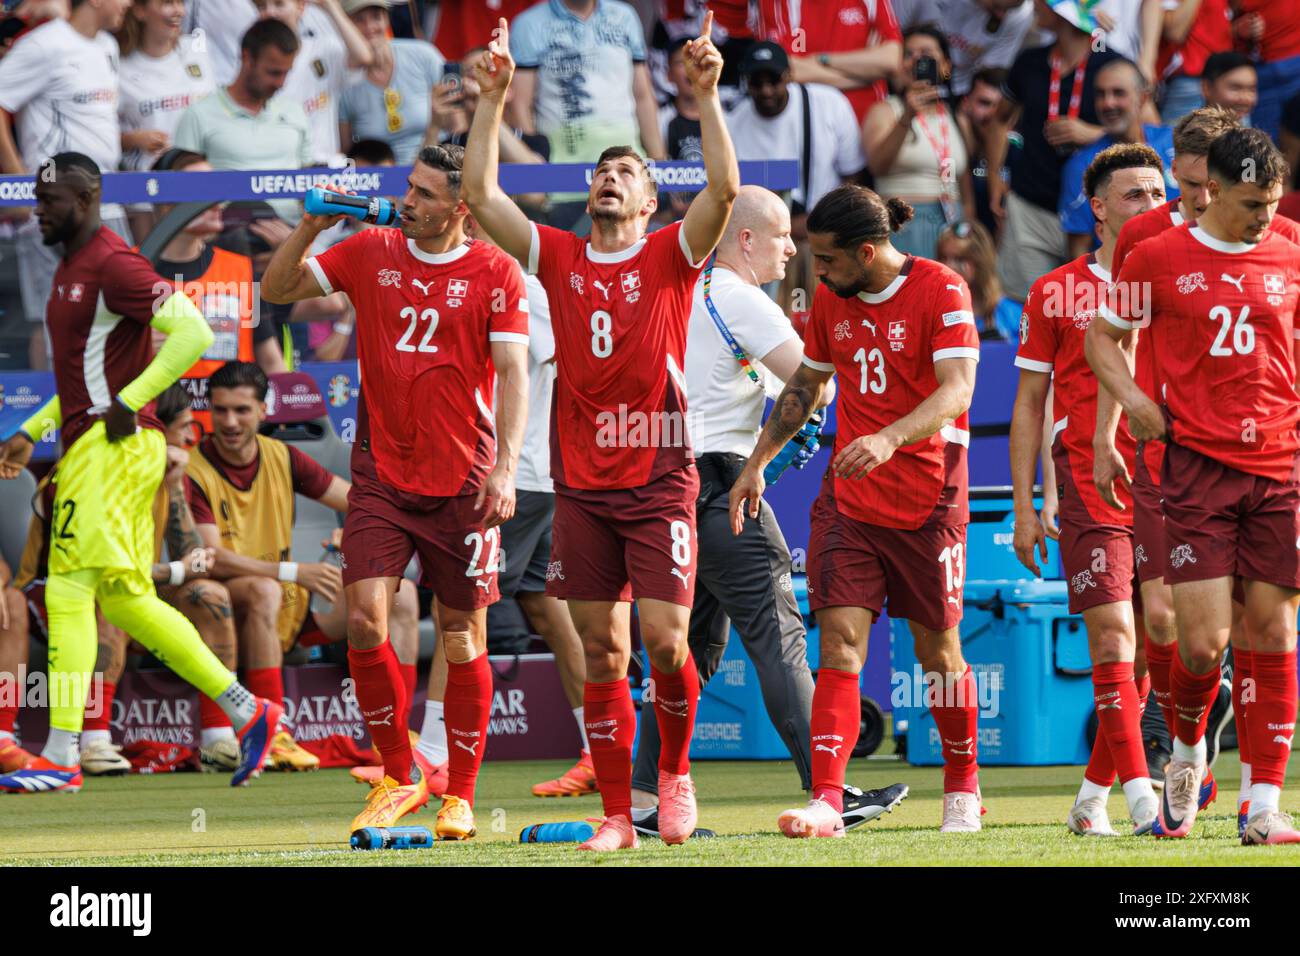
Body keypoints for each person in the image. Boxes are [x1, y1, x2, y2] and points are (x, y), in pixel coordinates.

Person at [463, 13, 739, 850]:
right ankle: (619, 815)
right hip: (584, 487)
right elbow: (480, 197)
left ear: (651, 199)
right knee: (604, 652)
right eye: (603, 170)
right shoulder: (558, 255)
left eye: (628, 171)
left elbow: (723, 192)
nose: (611, 178)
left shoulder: (668, 255)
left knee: (663, 640)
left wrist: (707, 98)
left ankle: (676, 778)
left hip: (659, 482)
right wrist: (494, 99)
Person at [261, 143, 530, 838]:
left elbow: (512, 374)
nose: (407, 201)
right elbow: (277, 290)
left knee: (463, 634)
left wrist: (505, 468)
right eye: (407, 188)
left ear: (460, 207)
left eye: (425, 194)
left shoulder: (497, 271)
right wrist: (311, 227)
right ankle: (399, 777)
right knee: (364, 623)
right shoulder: (371, 248)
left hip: (463, 481)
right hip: (381, 474)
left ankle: (461, 794)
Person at [629, 185, 911, 836]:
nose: (793, 248)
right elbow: (814, 384)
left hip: (661, 485)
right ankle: (827, 789)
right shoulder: (738, 298)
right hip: (721, 480)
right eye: (783, 234)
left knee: (687, 649)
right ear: (746, 239)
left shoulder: (680, 289)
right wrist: (769, 455)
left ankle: (644, 799)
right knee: (779, 637)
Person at [0, 152, 280, 795]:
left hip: (114, 446)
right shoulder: (72, 266)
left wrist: (131, 403)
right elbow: (82, 379)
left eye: (53, 201)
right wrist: (31, 430)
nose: (41, 211)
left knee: (69, 591)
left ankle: (63, 754)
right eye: (38, 200)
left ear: (90, 197)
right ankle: (248, 710)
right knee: (125, 598)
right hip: (96, 441)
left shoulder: (113, 262)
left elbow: (189, 330)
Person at [730, 185, 981, 836]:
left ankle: (963, 790)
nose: (817, 271)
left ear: (866, 252)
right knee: (840, 642)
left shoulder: (943, 288)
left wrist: (890, 436)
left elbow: (958, 389)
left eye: (827, 260)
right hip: (850, 501)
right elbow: (806, 387)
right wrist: (758, 463)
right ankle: (829, 799)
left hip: (930, 498)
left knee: (939, 655)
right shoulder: (830, 303)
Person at [1088, 127, 1300, 845]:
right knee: (1202, 644)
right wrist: (1134, 406)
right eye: (1249, 203)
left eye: (1270, 202)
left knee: (1272, 630)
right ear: (1211, 188)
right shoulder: (1156, 257)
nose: (1263, 217)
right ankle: (1185, 756)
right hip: (1196, 470)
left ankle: (1263, 803)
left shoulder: (1292, 250)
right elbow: (1101, 338)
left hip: (1280, 466)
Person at [1012, 143, 1168, 837]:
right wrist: (1025, 502)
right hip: (1087, 478)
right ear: (1097, 208)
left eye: (1158, 189)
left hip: (1169, 481)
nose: (1150, 203)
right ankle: (1143, 802)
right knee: (1112, 637)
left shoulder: (1180, 277)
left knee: (1150, 645)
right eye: (1134, 193)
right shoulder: (1055, 291)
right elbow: (1028, 404)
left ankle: (1090, 797)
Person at [183, 362, 419, 771]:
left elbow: (358, 502)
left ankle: (395, 735)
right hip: (223, 606)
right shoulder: (192, 470)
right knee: (264, 590)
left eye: (241, 410)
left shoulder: (281, 456)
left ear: (263, 411)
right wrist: (295, 572)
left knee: (402, 596)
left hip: (286, 608)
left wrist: (362, 531)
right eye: (220, 411)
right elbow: (212, 559)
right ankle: (272, 735)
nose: (230, 422)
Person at [0, 0, 134, 371]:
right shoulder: (44, 45)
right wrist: (20, 182)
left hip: (108, 200)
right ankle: (51, 416)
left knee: (114, 313)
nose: (129, 4)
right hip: (58, 207)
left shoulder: (107, 46)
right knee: (56, 314)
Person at [987, 0, 1123, 302]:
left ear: (1065, 13)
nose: (1034, 5)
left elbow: (1147, 128)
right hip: (1029, 209)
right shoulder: (1029, 62)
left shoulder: (1112, 65)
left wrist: (1096, 133)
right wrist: (996, 174)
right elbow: (999, 120)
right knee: (1027, 310)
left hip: (1092, 215)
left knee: (1088, 314)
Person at [506, 0, 666, 177]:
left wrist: (659, 164)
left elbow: (642, 96)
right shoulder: (528, 24)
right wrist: (537, 173)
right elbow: (520, 105)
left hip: (627, 172)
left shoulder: (625, 16)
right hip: (562, 174)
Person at [173, 18, 311, 224]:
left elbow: (309, 180)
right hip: (228, 232)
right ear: (247, 57)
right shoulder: (198, 115)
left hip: (292, 231)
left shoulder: (295, 112)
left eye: (286, 73)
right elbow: (182, 192)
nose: (280, 82)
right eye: (273, 72)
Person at [726, 42, 867, 227]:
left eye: (774, 80)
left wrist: (825, 219)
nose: (766, 90)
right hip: (757, 231)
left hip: (822, 226)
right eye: (756, 83)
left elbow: (853, 174)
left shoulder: (828, 103)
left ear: (789, 75)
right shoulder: (732, 120)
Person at [863, 26, 974, 259]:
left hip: (951, 224)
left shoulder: (956, 117)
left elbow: (964, 183)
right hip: (902, 222)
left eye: (925, 53)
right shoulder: (885, 111)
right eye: (908, 54)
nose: (915, 60)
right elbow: (877, 167)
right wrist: (907, 117)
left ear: (945, 66)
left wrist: (969, 227)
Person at [1059, 59, 1177, 259]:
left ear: (1143, 98)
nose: (1108, 103)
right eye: (1101, 94)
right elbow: (1079, 253)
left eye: (1118, 93)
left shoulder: (1175, 142)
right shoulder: (1082, 167)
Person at [253, 0, 372, 165]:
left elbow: (363, 57)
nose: (270, 13)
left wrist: (331, 6)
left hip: (321, 167)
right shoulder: (250, 61)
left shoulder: (323, 48)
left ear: (301, 7)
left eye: (279, 4)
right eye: (261, 7)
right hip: (273, 169)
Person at [756, 0, 903, 122]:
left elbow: (891, 61)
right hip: (808, 125)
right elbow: (785, 69)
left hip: (866, 125)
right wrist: (865, 76)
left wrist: (822, 59)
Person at [337, 0, 443, 165]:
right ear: (346, 26)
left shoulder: (423, 55)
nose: (369, 27)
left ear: (387, 19)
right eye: (359, 20)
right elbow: (346, 153)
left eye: (376, 17)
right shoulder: (344, 81)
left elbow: (456, 123)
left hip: (436, 168)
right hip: (379, 184)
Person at [116, 0, 216, 172]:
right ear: (140, 10)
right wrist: (133, 139)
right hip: (149, 186)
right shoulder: (119, 66)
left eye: (181, 2)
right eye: (168, 3)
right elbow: (98, 135)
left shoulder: (197, 50)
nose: (179, 11)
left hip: (204, 176)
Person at [894, 0, 1034, 97]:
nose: (1002, 15)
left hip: (956, 87)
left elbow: (991, 70)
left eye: (1009, 10)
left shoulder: (1021, 14)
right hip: (903, 74)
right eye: (996, 7)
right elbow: (892, 36)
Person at [1232, 0, 1300, 142]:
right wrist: (1237, 29)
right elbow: (1216, 22)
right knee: (1263, 147)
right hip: (1258, 73)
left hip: (1295, 64)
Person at [1154, 0, 1230, 123]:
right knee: (1179, 140)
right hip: (1190, 81)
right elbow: (1175, 32)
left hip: (1226, 78)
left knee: (1232, 140)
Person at [934, 220, 1009, 339]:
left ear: (982, 262)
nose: (949, 266)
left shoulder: (1010, 313)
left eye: (960, 259)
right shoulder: (932, 312)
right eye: (943, 258)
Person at [960, 67, 1011, 237]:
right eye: (984, 103)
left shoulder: (1018, 150)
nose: (992, 114)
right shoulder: (952, 144)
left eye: (1000, 107)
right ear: (966, 103)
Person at [1198, 51, 1257, 124]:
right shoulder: (1193, 133)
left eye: (1252, 90)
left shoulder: (1246, 132)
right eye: (1235, 88)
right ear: (1206, 88)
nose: (1245, 98)